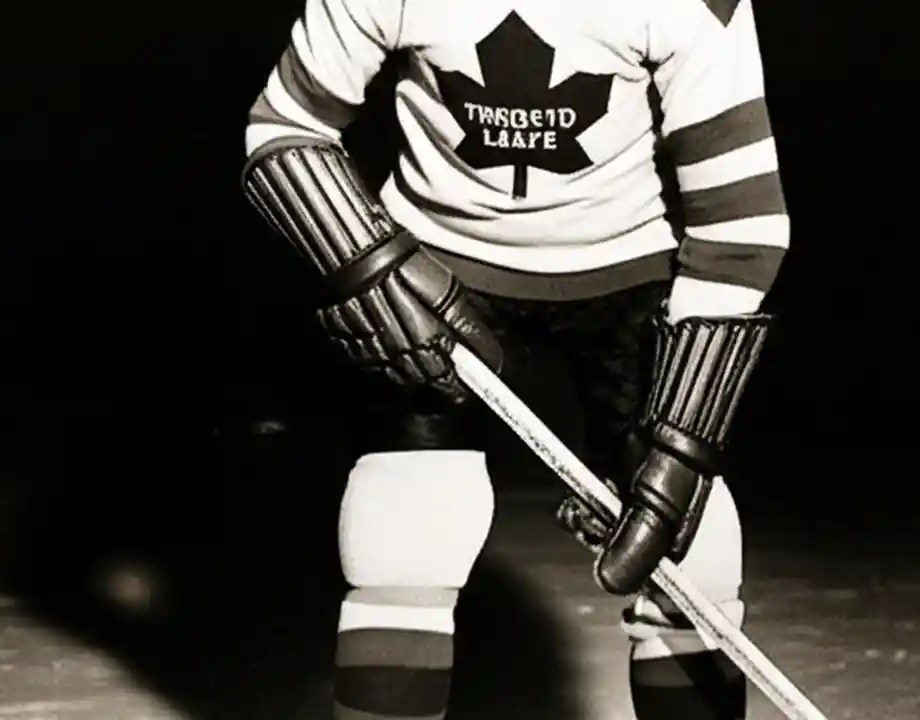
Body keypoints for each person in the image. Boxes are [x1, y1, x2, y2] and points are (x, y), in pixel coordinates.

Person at [240, 0, 789, 717]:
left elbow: (739, 224)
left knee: (694, 557)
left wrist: (682, 443)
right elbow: (284, 125)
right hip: (434, 264)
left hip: (626, 273)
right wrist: (365, 261)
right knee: (404, 533)